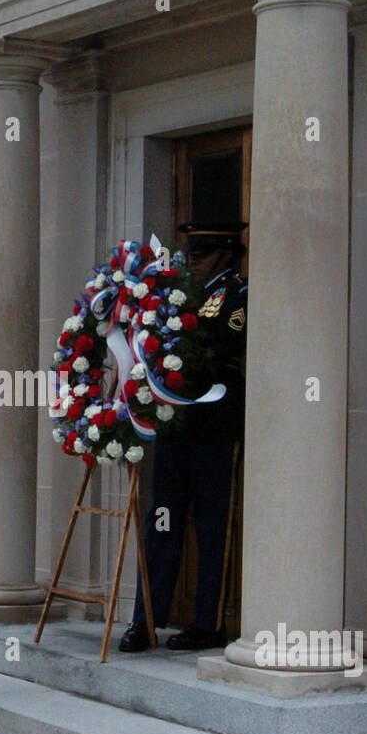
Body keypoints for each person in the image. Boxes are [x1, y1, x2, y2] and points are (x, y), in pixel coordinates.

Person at [119, 222, 248, 653]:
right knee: (162, 522)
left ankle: (208, 622)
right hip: (174, 420)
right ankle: (147, 619)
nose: (193, 261)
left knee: (212, 525)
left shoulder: (236, 295)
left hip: (213, 422)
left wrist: (172, 348)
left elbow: (222, 343)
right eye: (191, 254)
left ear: (226, 253)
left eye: (203, 253)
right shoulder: (172, 292)